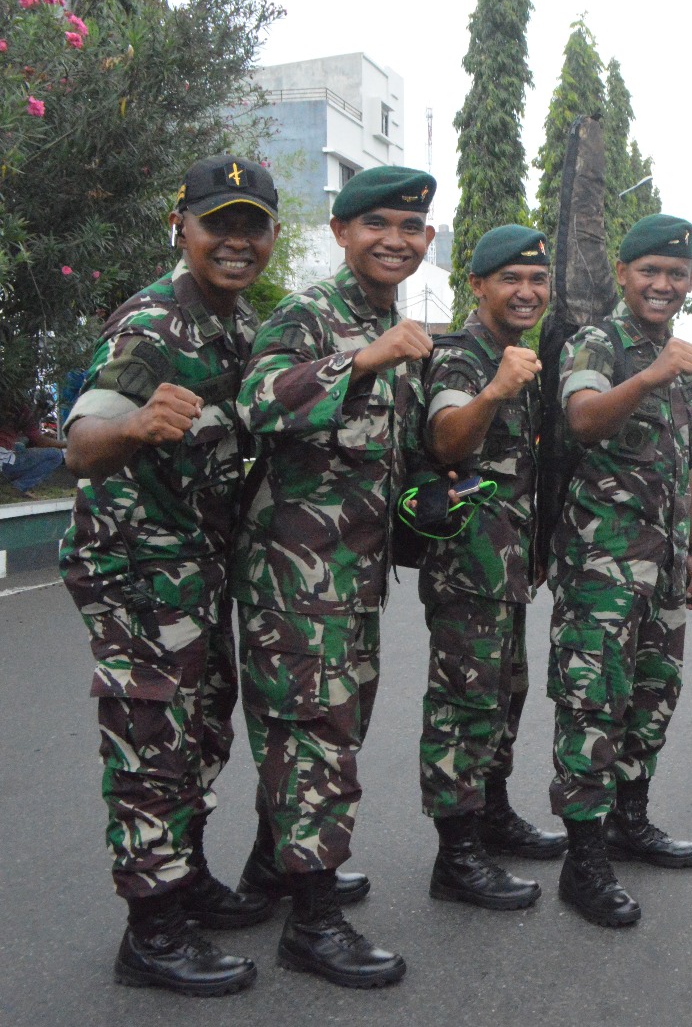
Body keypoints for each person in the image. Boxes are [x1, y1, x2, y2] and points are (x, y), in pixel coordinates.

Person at [59, 155, 282, 995]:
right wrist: (140, 424)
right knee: (152, 735)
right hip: (135, 565)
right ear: (180, 227)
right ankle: (150, 929)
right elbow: (82, 445)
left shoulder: (233, 322)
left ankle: (181, 879)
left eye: (250, 224)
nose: (234, 240)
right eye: (216, 223)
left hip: (193, 567)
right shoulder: (150, 323)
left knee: (203, 724)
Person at [233, 165, 439, 989]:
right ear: (341, 233)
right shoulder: (313, 317)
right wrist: (361, 360)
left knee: (318, 730)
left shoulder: (396, 325)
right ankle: (312, 924)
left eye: (411, 228)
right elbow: (256, 400)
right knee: (316, 736)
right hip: (294, 578)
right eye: (377, 224)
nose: (396, 239)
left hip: (350, 580)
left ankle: (272, 870)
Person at [547, 213, 692, 928]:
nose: (662, 283)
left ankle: (629, 821)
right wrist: (647, 375)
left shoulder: (677, 355)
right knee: (592, 707)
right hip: (602, 567)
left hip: (664, 563)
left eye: (676, 274)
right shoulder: (600, 342)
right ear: (623, 274)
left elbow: (684, 465)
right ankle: (584, 862)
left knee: (652, 698)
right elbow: (582, 419)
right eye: (650, 270)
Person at [415, 224, 567, 914]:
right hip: (465, 568)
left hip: (504, 567)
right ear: (476, 285)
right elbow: (447, 437)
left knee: (506, 694)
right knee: (463, 705)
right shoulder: (463, 358)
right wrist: (496, 388)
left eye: (537, 280)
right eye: (511, 278)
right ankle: (457, 853)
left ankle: (493, 811)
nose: (527, 291)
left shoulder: (515, 355)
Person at [0, 399, 67, 498]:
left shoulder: (8, 401)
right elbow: (41, 441)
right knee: (56, 455)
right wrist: (68, 444)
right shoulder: (21, 409)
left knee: (20, 446)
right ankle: (18, 487)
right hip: (3, 461)